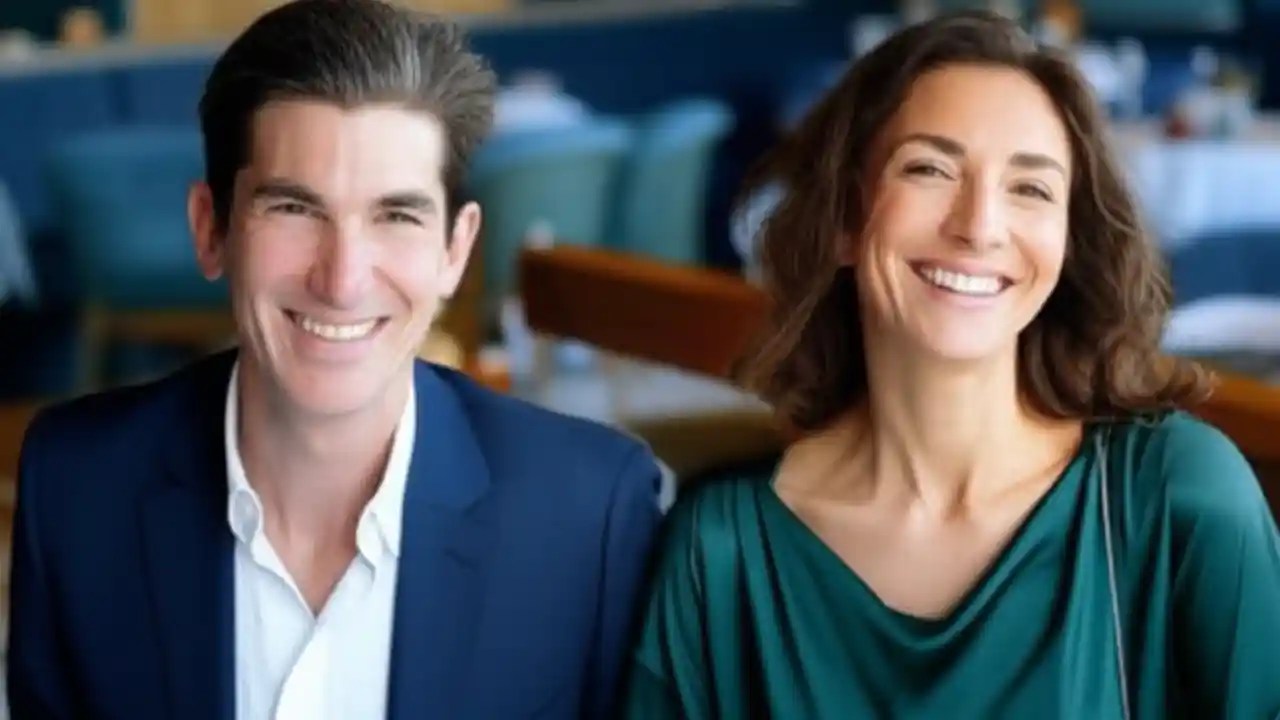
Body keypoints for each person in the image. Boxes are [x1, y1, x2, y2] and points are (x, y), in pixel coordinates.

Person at [7, 1, 663, 718]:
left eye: (397, 215)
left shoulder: (590, 515)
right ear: (211, 229)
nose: (343, 278)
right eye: (294, 208)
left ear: (456, 249)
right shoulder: (76, 489)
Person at [622, 11, 1280, 719]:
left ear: (1067, 243)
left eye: (1030, 188)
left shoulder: (1176, 498)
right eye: (930, 169)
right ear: (845, 218)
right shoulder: (721, 551)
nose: (978, 226)